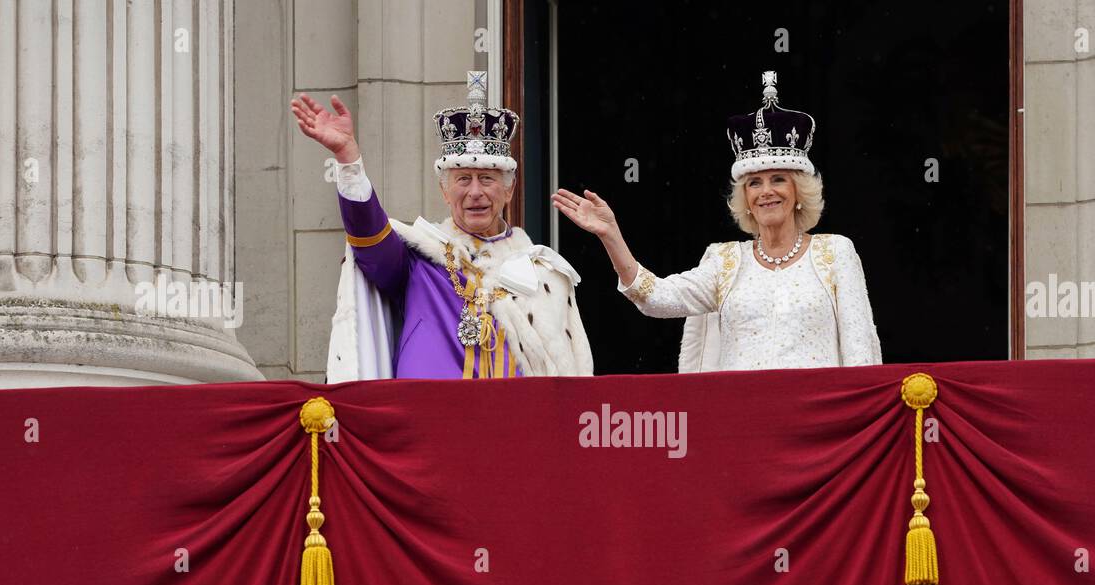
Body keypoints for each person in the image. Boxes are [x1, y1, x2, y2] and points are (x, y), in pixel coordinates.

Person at [552, 71, 882, 373]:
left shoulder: (835, 253)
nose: (766, 192)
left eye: (778, 179)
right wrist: (611, 235)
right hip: (743, 424)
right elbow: (655, 298)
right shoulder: (725, 262)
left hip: (818, 425)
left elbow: (861, 356)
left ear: (799, 191)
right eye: (754, 183)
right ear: (746, 200)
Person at [292, 71, 592, 382]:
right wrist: (348, 160)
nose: (475, 192)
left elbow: (567, 383)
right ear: (445, 192)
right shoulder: (419, 259)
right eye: (463, 179)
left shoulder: (544, 275)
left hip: (514, 425)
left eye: (487, 179)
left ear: (509, 190)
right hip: (428, 423)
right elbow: (369, 240)